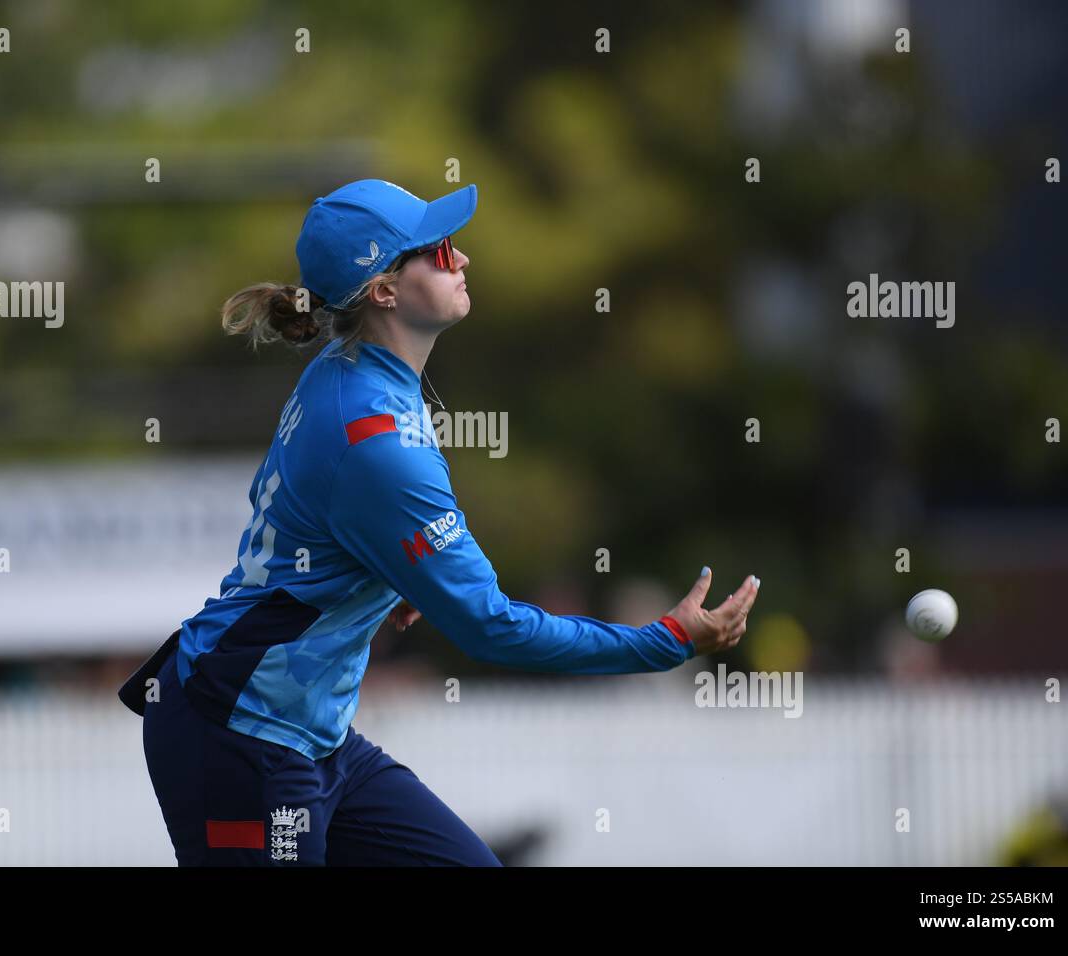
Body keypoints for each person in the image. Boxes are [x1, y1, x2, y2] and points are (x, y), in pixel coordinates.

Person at [119, 178, 760, 866]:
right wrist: (662, 641)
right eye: (442, 250)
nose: (464, 261)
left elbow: (293, 510)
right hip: (238, 737)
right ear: (385, 291)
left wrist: (383, 582)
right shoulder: (375, 439)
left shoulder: (352, 372)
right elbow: (491, 629)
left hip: (310, 736)